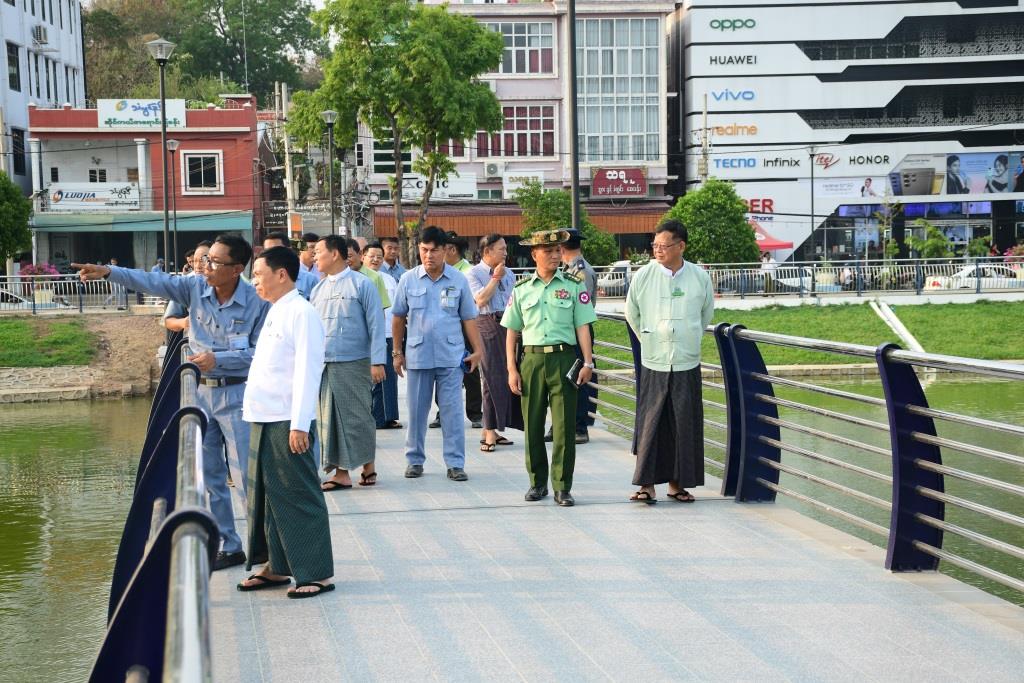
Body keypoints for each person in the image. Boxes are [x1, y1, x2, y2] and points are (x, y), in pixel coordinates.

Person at [73, 234, 269, 570]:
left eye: (216, 262)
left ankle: (261, 547)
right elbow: (153, 280)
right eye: (206, 260)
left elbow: (260, 354)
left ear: (237, 269)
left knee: (246, 477)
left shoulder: (257, 302)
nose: (206, 266)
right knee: (209, 476)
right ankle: (229, 544)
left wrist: (218, 359)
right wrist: (108, 272)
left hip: (237, 395)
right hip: (200, 396)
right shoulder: (194, 288)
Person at [236, 246, 334, 599]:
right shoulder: (275, 310)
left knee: (298, 494)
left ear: (282, 275)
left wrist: (299, 424)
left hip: (285, 419)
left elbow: (309, 371)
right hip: (263, 416)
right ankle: (277, 566)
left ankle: (317, 572)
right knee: (268, 496)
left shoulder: (302, 312)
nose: (254, 281)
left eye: (259, 275)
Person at [501, 229, 596, 507]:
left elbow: (583, 326)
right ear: (534, 255)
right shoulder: (521, 290)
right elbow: (512, 332)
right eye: (548, 251)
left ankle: (562, 486)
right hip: (531, 360)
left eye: (558, 250)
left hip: (564, 359)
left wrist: (588, 362)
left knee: (565, 426)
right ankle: (537, 482)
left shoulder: (573, 284)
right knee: (532, 425)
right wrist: (511, 368)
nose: (555, 255)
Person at [624, 220, 714, 504]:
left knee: (684, 422)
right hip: (654, 359)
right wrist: (648, 338)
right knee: (652, 422)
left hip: (686, 359)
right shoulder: (644, 276)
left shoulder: (699, 277)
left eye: (664, 246)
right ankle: (646, 485)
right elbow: (632, 313)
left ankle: (678, 484)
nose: (658, 250)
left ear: (681, 246)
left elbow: (706, 314)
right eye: (655, 246)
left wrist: (689, 335)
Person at [391, 226, 483, 482]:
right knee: (417, 412)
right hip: (418, 357)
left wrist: (478, 350)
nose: (428, 255)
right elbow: (398, 317)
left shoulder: (458, 279)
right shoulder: (408, 279)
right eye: (424, 250)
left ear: (446, 251)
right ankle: (414, 460)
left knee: (453, 412)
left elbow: (469, 317)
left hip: (451, 357)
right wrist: (397, 352)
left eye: (434, 250)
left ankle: (455, 463)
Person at [310, 235, 386, 491]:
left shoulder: (362, 284)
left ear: (334, 254)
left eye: (318, 251)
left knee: (358, 417)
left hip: (355, 362)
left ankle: (366, 466)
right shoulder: (317, 289)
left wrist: (378, 362)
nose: (314, 256)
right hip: (325, 364)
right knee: (330, 419)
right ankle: (342, 472)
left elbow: (377, 325)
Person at [466, 233, 520, 451]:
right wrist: (495, 278)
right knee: (490, 377)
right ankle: (489, 431)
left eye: (506, 249)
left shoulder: (510, 274)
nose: (505, 253)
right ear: (487, 251)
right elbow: (479, 300)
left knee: (507, 375)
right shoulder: (473, 273)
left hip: (508, 324)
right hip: (486, 323)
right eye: (501, 249)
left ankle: (493, 428)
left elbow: (514, 301)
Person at [428, 231, 482, 430]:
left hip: (463, 325)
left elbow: (470, 307)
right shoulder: (437, 272)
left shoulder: (467, 272)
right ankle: (443, 412)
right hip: (441, 327)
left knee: (469, 370)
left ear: (450, 250)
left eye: (439, 249)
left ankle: (476, 413)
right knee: (440, 368)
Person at [558, 228, 598, 444]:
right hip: (567, 329)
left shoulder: (580, 271)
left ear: (562, 248)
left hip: (579, 328)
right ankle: (563, 425)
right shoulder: (569, 268)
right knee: (565, 378)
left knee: (579, 378)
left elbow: (582, 307)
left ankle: (580, 427)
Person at [364, 242, 402, 430]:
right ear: (363, 256)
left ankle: (389, 416)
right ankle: (374, 417)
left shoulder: (389, 280)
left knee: (389, 378)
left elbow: (396, 310)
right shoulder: (360, 277)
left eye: (379, 256)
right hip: (369, 335)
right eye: (372, 256)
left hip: (387, 333)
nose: (376, 259)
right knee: (373, 379)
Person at [162, 241, 212, 336]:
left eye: (203, 260)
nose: (197, 266)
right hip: (194, 346)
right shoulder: (186, 284)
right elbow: (168, 321)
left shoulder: (229, 283)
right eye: (194, 261)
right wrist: (185, 322)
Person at [263, 232, 319, 299]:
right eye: (267, 251)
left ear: (288, 250)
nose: (270, 254)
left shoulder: (310, 279)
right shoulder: (259, 282)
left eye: (276, 250)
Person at [345, 238, 392, 310]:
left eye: (349, 256)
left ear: (360, 254)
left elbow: (380, 310)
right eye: (342, 257)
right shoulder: (339, 277)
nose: (346, 260)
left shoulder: (375, 277)